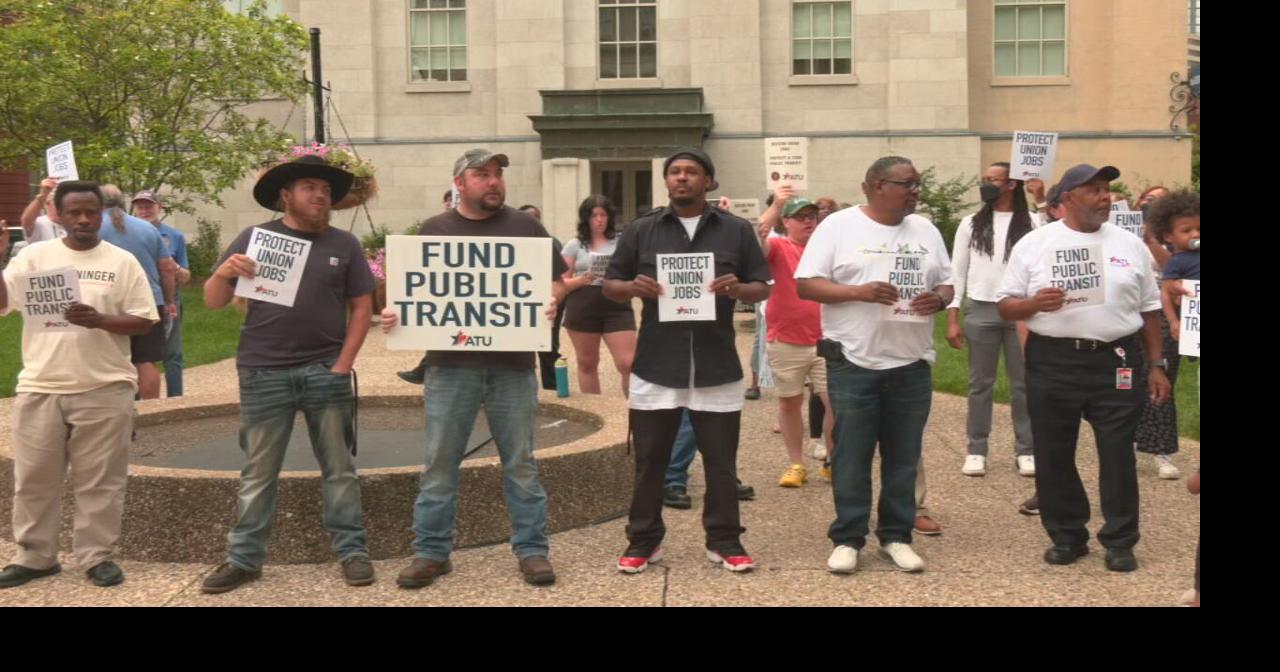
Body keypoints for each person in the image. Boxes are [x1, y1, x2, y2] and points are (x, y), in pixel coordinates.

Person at [383, 149, 567, 589]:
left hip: (513, 366)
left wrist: (554, 296)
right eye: (482, 174)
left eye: (498, 174)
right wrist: (396, 317)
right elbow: (414, 292)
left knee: (520, 463)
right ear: (459, 183)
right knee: (439, 464)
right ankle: (431, 552)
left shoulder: (526, 227)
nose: (493, 182)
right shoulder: (434, 229)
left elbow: (557, 277)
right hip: (450, 367)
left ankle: (532, 550)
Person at [199, 155, 376, 594]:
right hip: (264, 371)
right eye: (309, 187)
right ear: (286, 195)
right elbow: (212, 301)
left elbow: (361, 308)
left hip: (325, 371)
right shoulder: (255, 238)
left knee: (339, 468)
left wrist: (343, 364)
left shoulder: (344, 245)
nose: (320, 195)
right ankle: (244, 559)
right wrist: (225, 271)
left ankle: (351, 550)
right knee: (258, 472)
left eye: (325, 189)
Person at [996, 164, 1171, 572]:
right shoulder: (1035, 244)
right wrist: (1034, 304)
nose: (1104, 196)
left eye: (1106, 189)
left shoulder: (1130, 244)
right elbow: (1006, 304)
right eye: (1093, 189)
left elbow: (1148, 309)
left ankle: (1120, 539)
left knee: (1117, 454)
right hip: (1054, 360)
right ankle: (1067, 535)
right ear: (1067, 199)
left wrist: (1157, 364)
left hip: (1117, 359)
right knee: (1054, 452)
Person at [604, 147, 771, 574]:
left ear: (708, 181)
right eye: (675, 172)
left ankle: (724, 540)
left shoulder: (735, 232)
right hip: (657, 364)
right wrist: (632, 289)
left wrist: (738, 289)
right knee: (650, 462)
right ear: (666, 181)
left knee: (720, 464)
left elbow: (762, 286)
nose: (682, 178)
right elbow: (610, 286)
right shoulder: (642, 230)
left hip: (716, 365)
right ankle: (644, 541)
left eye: (691, 172)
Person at [797, 156, 953, 575]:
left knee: (904, 456)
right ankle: (848, 538)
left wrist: (938, 298)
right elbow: (806, 283)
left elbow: (947, 281)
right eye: (907, 184)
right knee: (851, 454)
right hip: (854, 360)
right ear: (875, 186)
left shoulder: (925, 230)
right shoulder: (838, 227)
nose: (915, 192)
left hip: (911, 361)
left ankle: (896, 536)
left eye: (917, 184)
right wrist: (859, 293)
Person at [0, 181, 158, 589]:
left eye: (92, 211)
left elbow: (145, 319)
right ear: (60, 215)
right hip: (41, 385)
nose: (85, 219)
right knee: (34, 478)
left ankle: (96, 556)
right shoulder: (34, 257)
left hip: (104, 386)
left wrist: (101, 320)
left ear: (102, 213)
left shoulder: (122, 262)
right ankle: (35, 556)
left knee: (101, 480)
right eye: (75, 212)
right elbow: (4, 302)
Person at [947, 162, 1038, 478]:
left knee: (1023, 383)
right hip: (982, 308)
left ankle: (1026, 450)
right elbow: (957, 271)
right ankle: (976, 449)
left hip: (1021, 310)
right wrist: (953, 317)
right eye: (983, 179)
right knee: (979, 384)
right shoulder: (970, 223)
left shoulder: (1033, 223)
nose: (986, 185)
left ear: (1012, 184)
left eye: (993, 180)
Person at [757, 194, 833, 488]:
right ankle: (796, 463)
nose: (807, 222)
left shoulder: (827, 250)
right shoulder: (778, 246)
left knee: (835, 403)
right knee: (790, 402)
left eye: (811, 216)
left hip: (827, 340)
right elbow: (757, 247)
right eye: (800, 217)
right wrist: (773, 208)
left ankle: (831, 460)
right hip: (786, 338)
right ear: (786, 222)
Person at [98, 185, 176, 400]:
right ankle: (150, 412)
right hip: (148, 301)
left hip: (107, 302)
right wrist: (169, 300)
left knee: (108, 361)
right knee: (145, 360)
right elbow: (167, 267)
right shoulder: (148, 229)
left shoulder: (93, 227)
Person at [561, 195, 635, 395]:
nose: (600, 220)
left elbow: (632, 270)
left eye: (603, 215)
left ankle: (636, 411)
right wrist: (581, 279)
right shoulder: (574, 245)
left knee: (628, 363)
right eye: (594, 215)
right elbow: (561, 283)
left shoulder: (620, 242)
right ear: (586, 218)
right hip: (583, 303)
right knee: (587, 363)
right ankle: (595, 408)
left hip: (616, 304)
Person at [130, 191, 191, 397]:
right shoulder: (129, 234)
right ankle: (137, 400)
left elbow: (186, 276)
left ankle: (176, 400)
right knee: (139, 355)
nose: (145, 211)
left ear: (159, 208)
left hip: (169, 298)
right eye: (140, 207)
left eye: (149, 206)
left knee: (172, 354)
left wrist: (174, 268)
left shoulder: (173, 236)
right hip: (138, 300)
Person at [397, 189, 460, 386]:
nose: (450, 203)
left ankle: (424, 369)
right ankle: (426, 368)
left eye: (453, 199)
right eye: (447, 200)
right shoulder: (437, 226)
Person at [19, 177, 67, 243]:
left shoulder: (73, 223)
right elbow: (26, 220)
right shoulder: (40, 223)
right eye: (57, 202)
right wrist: (43, 194)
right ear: (46, 204)